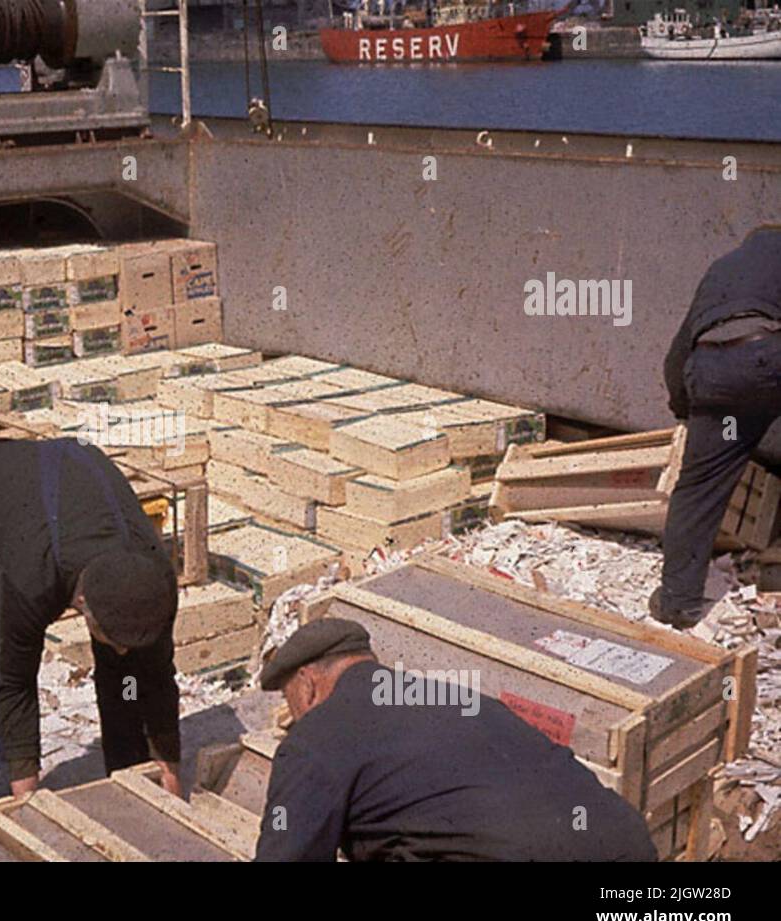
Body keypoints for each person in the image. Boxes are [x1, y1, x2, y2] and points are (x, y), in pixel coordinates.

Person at [253, 618, 657, 862]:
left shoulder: (315, 738)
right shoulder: (456, 699)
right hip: (626, 843)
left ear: (307, 684)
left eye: (293, 702)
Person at [0, 436, 182, 801]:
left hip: (71, 492)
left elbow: (158, 678)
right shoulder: (32, 582)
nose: (123, 650)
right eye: (112, 636)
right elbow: (16, 685)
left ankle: (128, 778)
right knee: (0, 655)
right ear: (82, 603)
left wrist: (167, 769)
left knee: (128, 670)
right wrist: (25, 801)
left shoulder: (155, 580)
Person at [650, 227, 781, 629]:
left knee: (698, 488)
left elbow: (678, 353)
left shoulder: (721, 269)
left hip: (711, 372)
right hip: (767, 358)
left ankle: (678, 603)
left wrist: (685, 410)